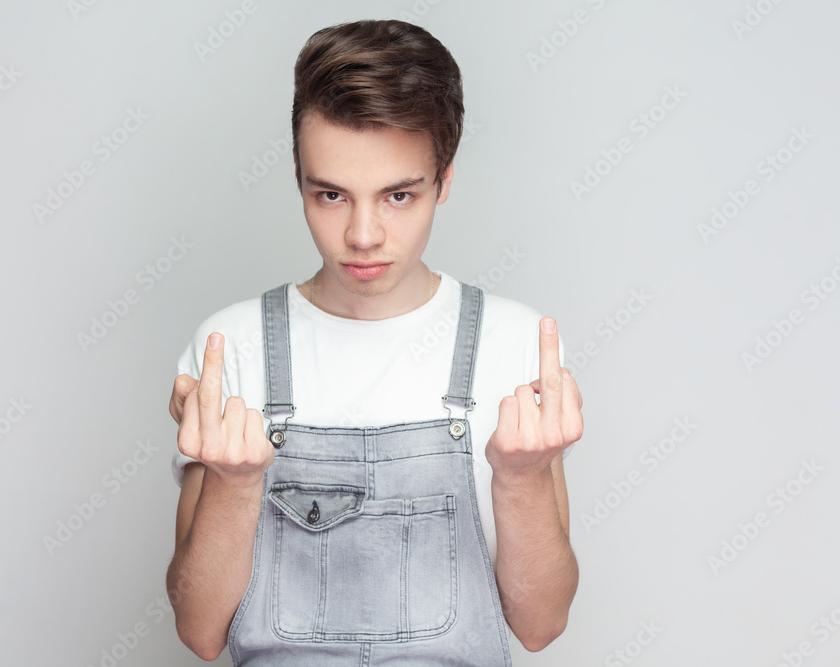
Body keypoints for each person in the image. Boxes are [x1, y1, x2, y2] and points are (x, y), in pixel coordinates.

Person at [165, 19, 582, 666]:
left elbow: (541, 623)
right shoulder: (232, 348)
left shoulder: (516, 344)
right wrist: (234, 483)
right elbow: (199, 631)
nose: (363, 235)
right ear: (298, 177)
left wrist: (522, 479)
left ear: (444, 180)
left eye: (398, 196)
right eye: (331, 194)